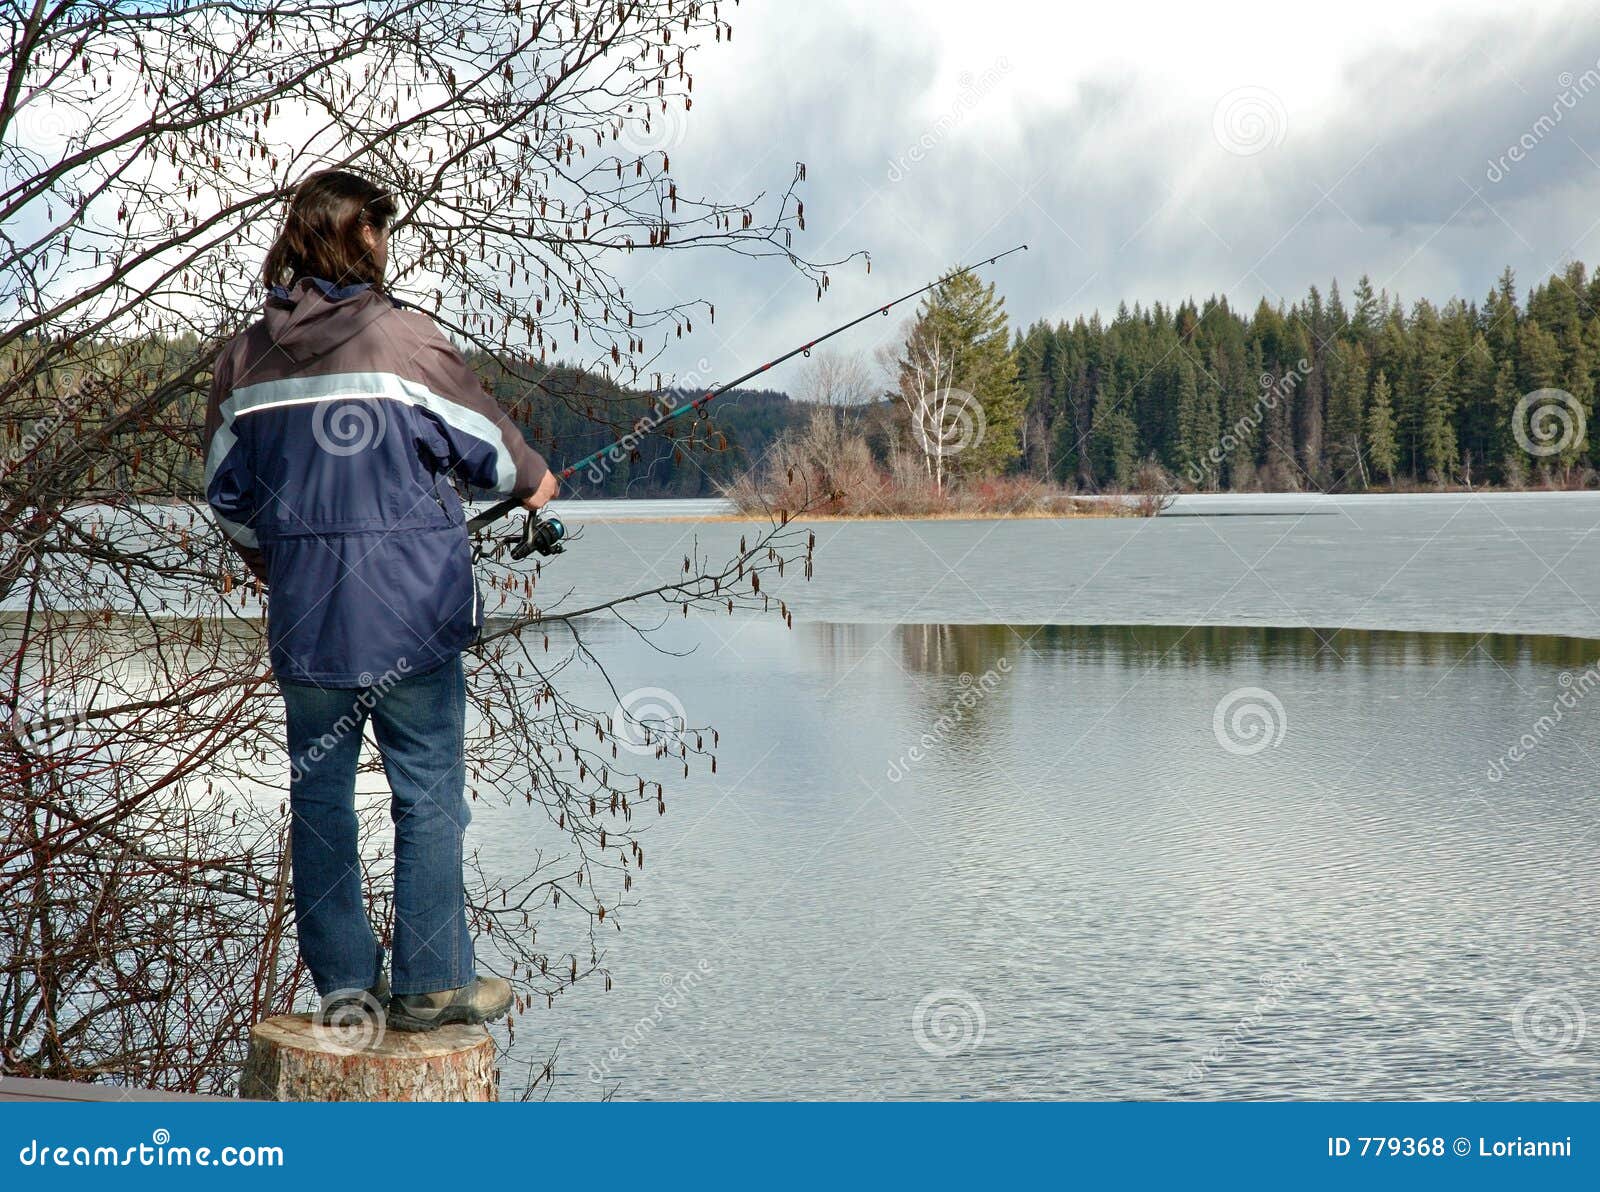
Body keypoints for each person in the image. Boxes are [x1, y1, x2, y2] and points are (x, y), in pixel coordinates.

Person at [202, 169, 557, 1031]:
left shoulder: (245, 360)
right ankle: (433, 984)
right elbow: (504, 466)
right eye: (380, 230)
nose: (387, 245)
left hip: (311, 624)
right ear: (357, 238)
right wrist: (541, 482)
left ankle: (346, 989)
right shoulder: (406, 342)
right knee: (428, 791)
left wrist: (271, 565)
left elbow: (225, 494)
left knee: (321, 800)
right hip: (413, 619)